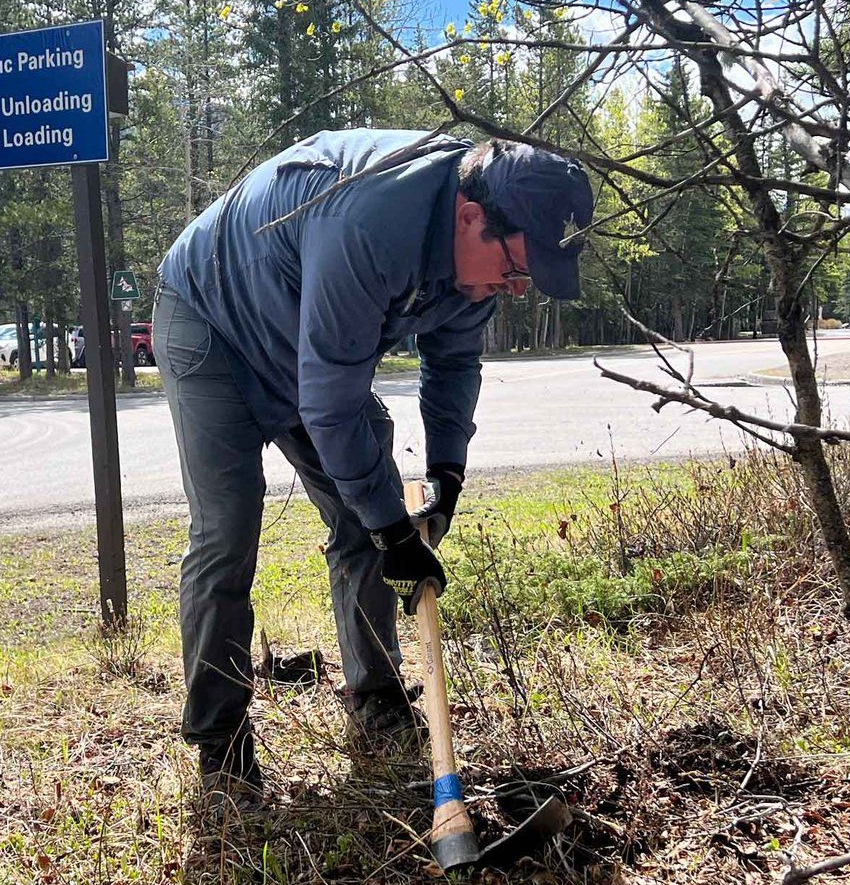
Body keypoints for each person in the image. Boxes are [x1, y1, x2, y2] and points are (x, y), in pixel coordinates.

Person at [152, 129, 595, 809]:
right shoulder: (370, 221)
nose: (513, 287)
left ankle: (377, 696)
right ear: (472, 217)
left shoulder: (474, 250)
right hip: (213, 320)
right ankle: (220, 743)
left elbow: (452, 365)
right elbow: (328, 403)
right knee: (228, 529)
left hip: (302, 335)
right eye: (514, 267)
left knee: (370, 508)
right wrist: (393, 533)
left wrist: (448, 474)